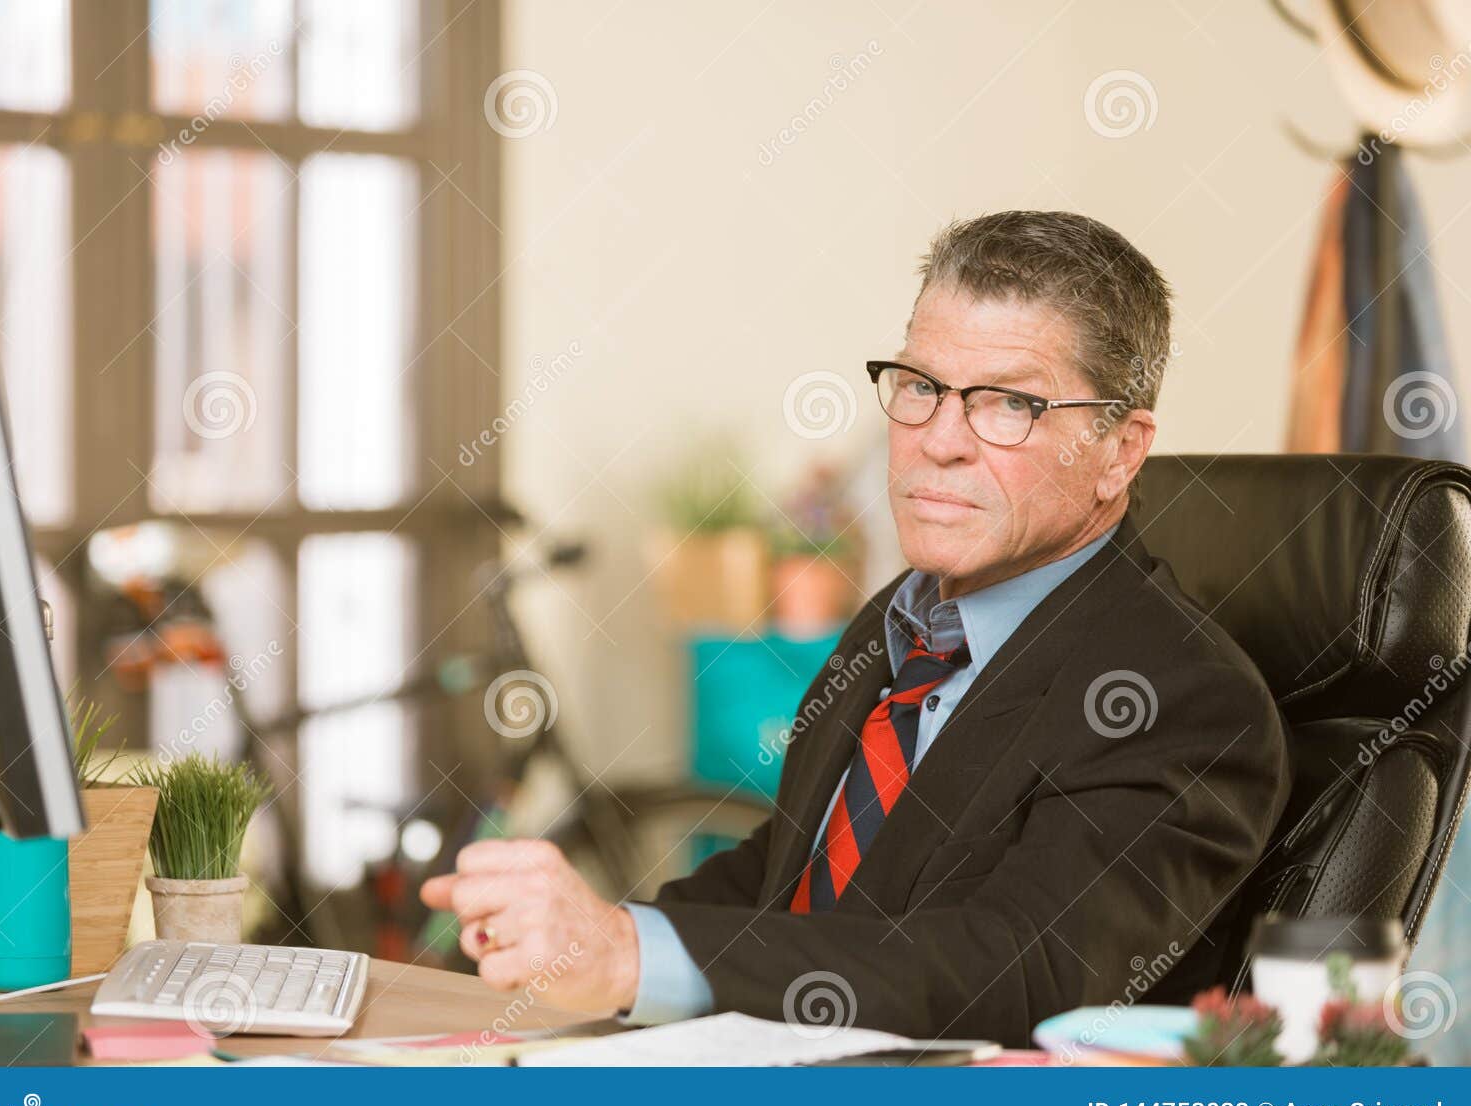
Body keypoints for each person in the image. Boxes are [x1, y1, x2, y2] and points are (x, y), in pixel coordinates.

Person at [421, 210, 1292, 1046]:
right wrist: (589, 935)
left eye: (1008, 404)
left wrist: (631, 958)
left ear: (1119, 451)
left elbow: (1021, 969)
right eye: (920, 387)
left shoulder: (1182, 697)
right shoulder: (903, 622)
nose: (938, 441)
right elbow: (785, 879)